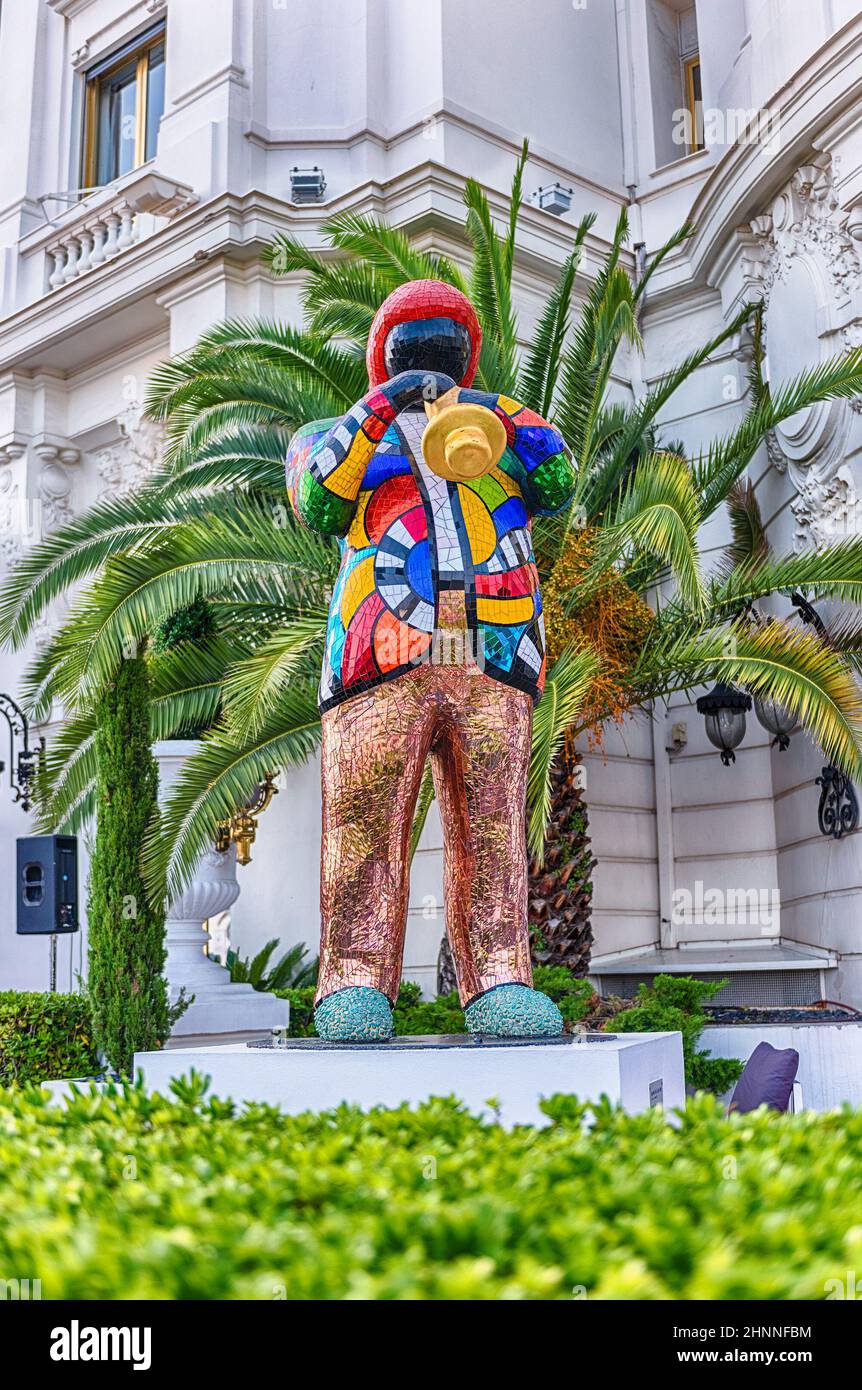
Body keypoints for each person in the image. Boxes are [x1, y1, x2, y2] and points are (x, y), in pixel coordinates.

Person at [286, 280, 577, 1041]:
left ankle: (502, 976)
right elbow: (319, 501)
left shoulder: (494, 436)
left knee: (493, 823)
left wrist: (495, 409)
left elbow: (559, 479)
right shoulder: (334, 434)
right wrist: (380, 406)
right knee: (363, 823)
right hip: (381, 655)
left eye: (445, 346)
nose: (430, 362)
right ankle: (352, 981)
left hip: (493, 651)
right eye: (412, 348)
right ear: (381, 355)